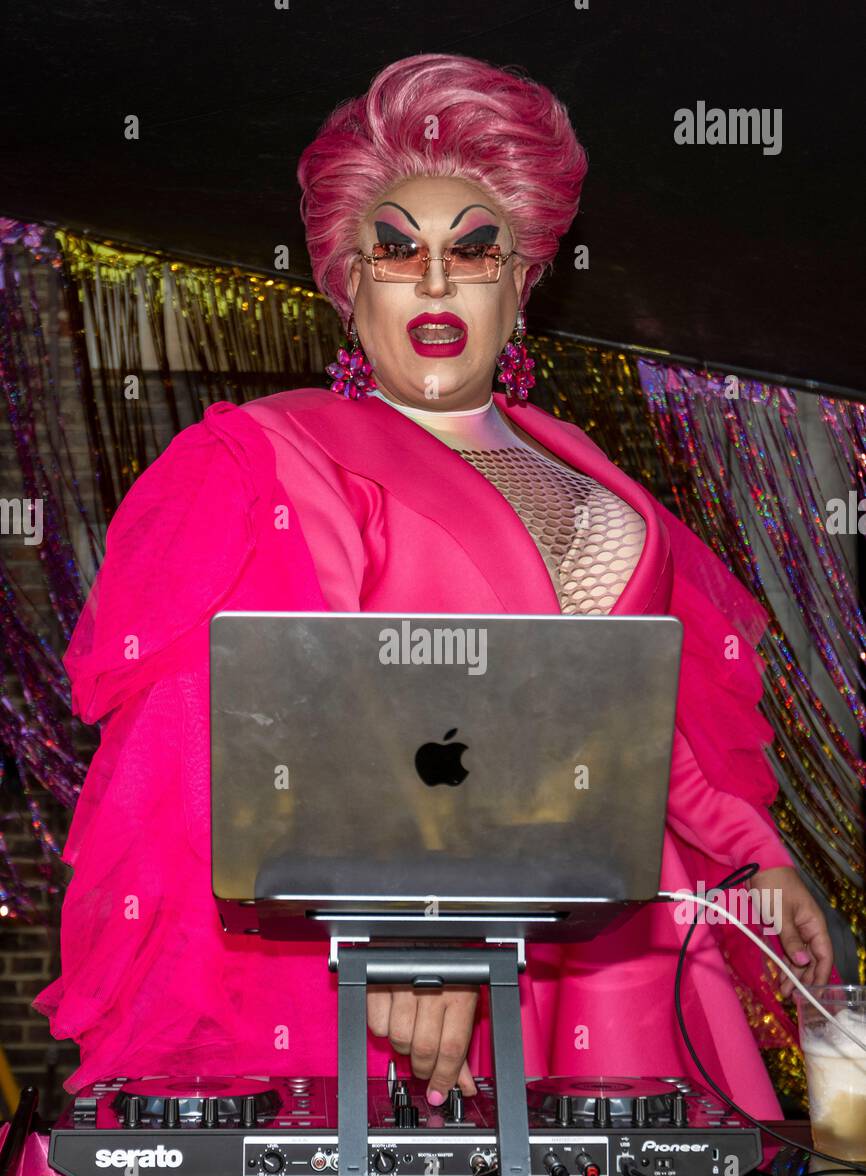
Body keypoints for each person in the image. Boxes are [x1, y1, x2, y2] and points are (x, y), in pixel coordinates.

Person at [33, 53, 834, 1116]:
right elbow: (236, 730)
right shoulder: (272, 456)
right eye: (398, 250)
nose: (438, 280)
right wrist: (408, 936)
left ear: (521, 275)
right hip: (391, 970)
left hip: (601, 949)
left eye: (473, 248)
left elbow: (626, 717)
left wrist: (750, 860)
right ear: (351, 278)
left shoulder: (588, 470)